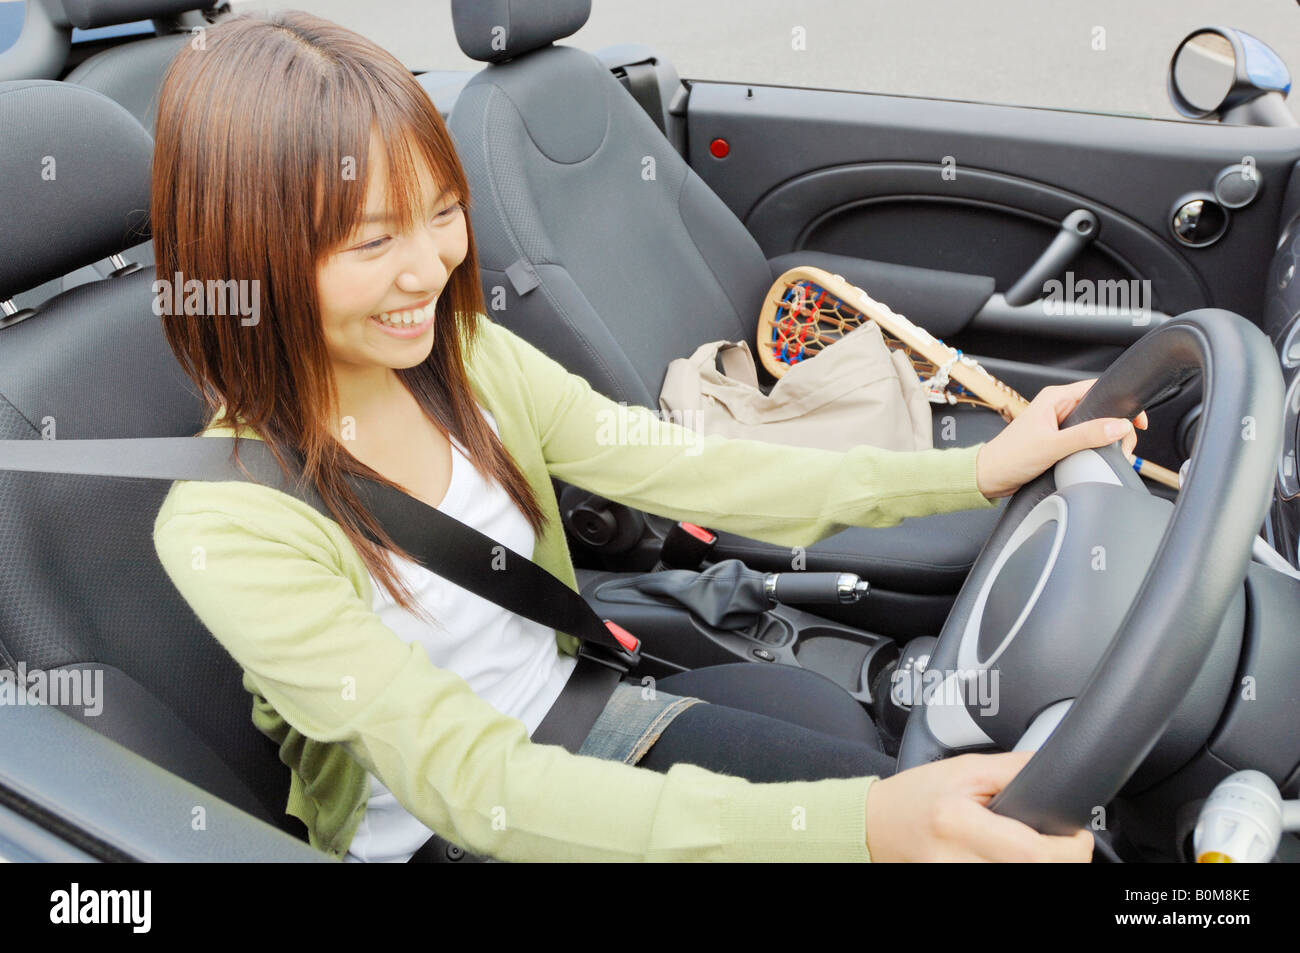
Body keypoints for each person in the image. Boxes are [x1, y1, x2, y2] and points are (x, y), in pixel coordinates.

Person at [151, 10, 1145, 863]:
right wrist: (867, 821)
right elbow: (466, 781)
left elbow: (693, 467)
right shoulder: (231, 523)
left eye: (444, 213)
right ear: (254, 256)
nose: (431, 267)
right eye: (374, 240)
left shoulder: (465, 357)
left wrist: (976, 468)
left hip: (584, 715)